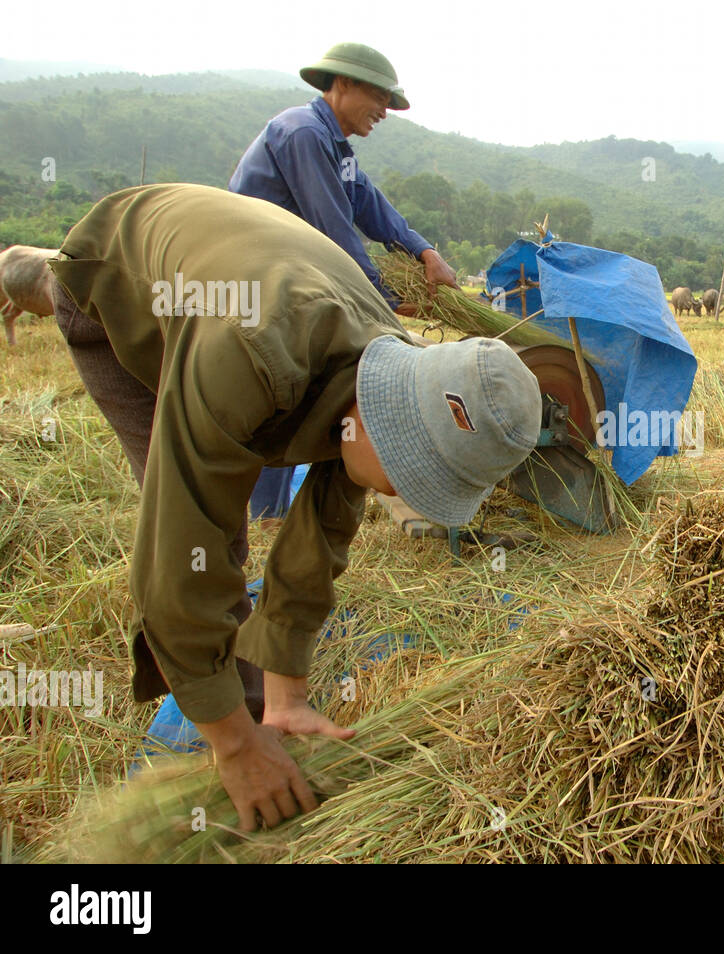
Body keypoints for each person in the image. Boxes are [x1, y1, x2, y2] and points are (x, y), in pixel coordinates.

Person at [50, 184, 540, 830]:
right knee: (213, 546)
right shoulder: (249, 354)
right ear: (384, 414)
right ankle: (46, 275)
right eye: (415, 472)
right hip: (127, 277)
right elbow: (177, 563)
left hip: (242, 273)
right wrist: (235, 745)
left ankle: (257, 715)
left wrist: (288, 695)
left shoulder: (386, 374)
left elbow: (322, 535)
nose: (405, 494)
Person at [230, 42, 458, 521]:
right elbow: (334, 231)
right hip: (256, 287)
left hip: (288, 287)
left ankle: (273, 510)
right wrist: (384, 300)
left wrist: (424, 251)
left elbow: (368, 205)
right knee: (280, 393)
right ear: (344, 83)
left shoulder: (337, 149)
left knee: (295, 394)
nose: (384, 111)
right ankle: (266, 515)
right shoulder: (303, 134)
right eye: (379, 97)